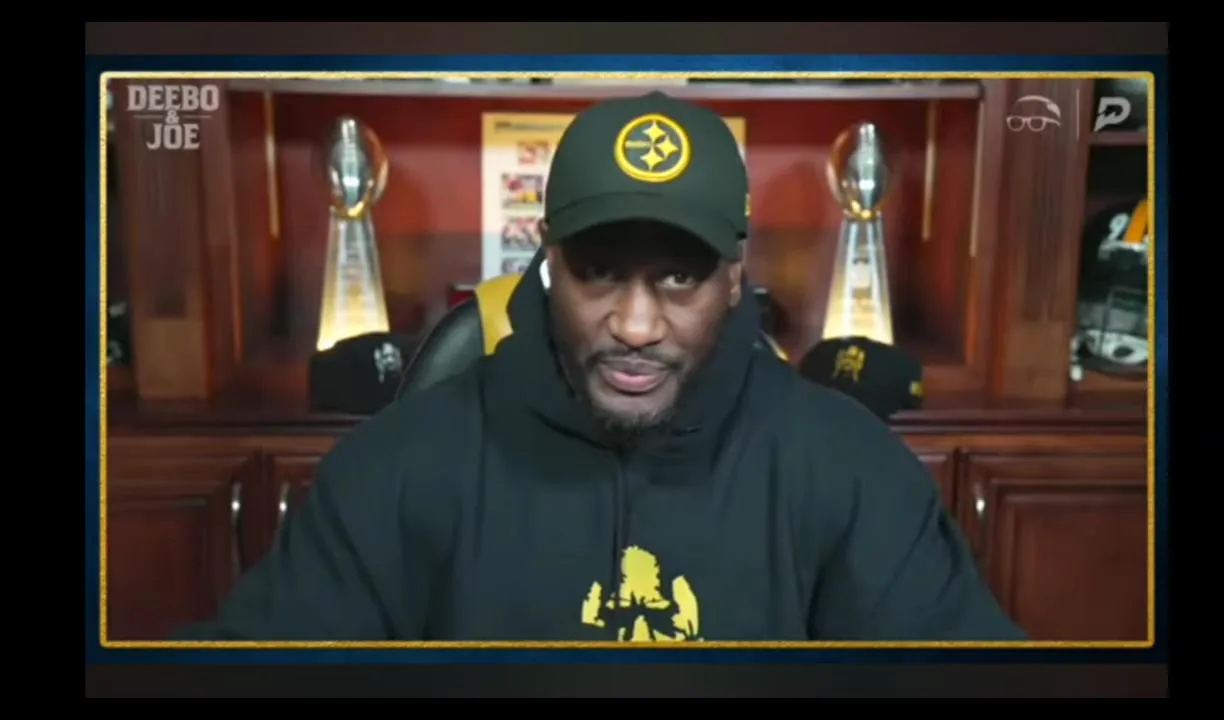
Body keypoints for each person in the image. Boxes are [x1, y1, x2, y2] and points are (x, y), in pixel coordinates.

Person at [175, 92, 1026, 642]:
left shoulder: (852, 472)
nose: (636, 325)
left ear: (735, 280)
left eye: (680, 278)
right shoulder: (394, 471)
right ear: (549, 264)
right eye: (599, 272)